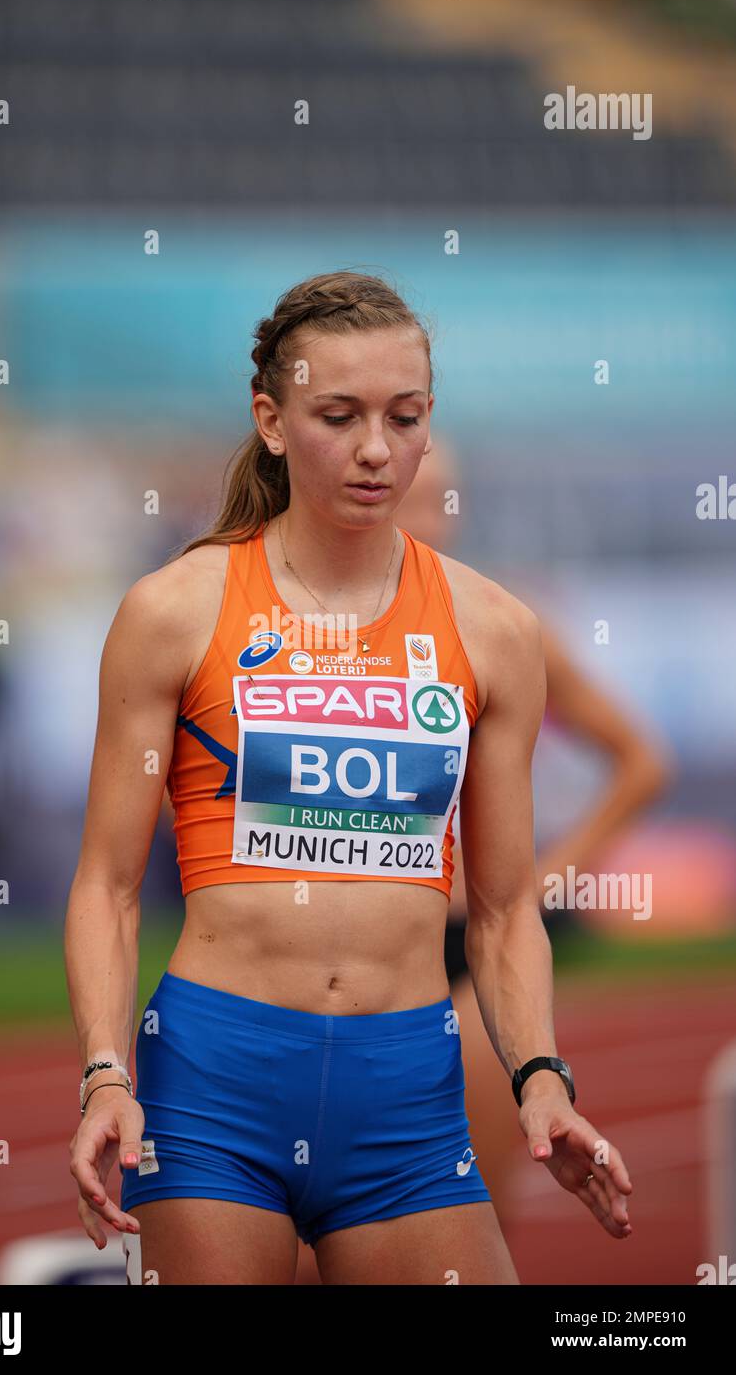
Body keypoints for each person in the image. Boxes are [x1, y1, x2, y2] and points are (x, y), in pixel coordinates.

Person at [65, 270, 632, 1286]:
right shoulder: (174, 611)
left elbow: (502, 910)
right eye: (340, 415)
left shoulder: (492, 631)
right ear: (270, 419)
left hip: (406, 1097)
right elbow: (105, 884)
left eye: (404, 416)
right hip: (216, 1084)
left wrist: (539, 1073)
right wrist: (106, 1074)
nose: (378, 448)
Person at [395, 441, 673, 1225]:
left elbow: (641, 761)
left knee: (470, 1214)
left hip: (471, 945)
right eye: (416, 494)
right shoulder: (309, 629)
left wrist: (553, 878)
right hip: (344, 946)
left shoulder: (501, 623)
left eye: (443, 496)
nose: (427, 512)